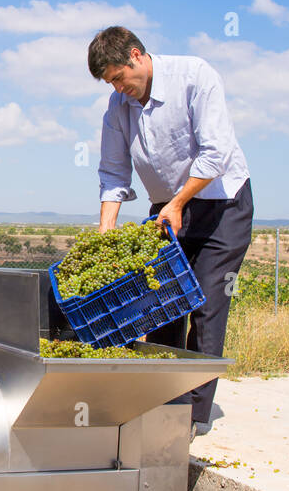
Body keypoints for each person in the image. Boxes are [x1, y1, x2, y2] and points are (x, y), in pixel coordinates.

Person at [88, 25, 253, 438]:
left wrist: (179, 203)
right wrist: (107, 230)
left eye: (119, 78)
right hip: (168, 208)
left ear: (137, 56)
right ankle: (162, 403)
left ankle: (192, 417)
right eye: (110, 82)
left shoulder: (195, 76)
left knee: (206, 303)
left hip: (220, 204)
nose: (117, 88)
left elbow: (217, 153)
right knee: (161, 303)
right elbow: (113, 171)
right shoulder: (118, 108)